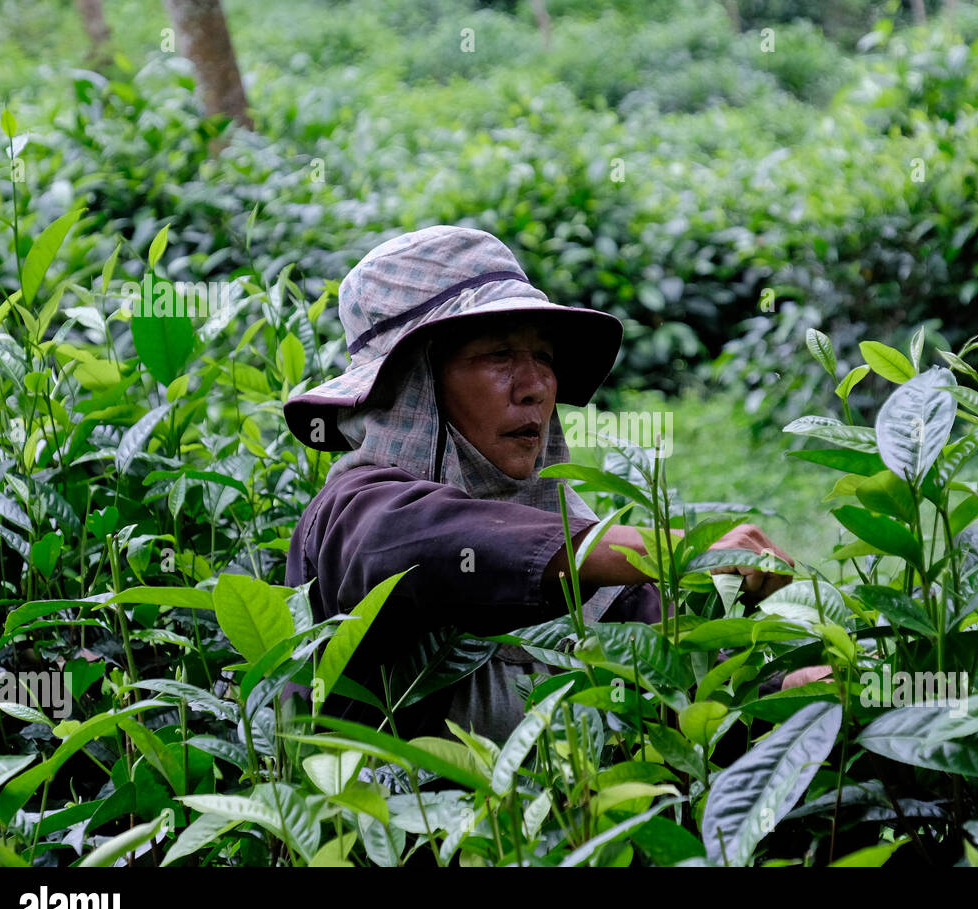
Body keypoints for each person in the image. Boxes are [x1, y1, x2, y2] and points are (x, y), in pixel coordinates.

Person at [283, 225, 796, 743]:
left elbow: (681, 670)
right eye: (499, 356)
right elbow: (439, 541)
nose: (536, 388)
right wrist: (680, 552)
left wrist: (798, 688)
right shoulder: (352, 513)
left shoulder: (582, 559)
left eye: (544, 358)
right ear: (414, 387)